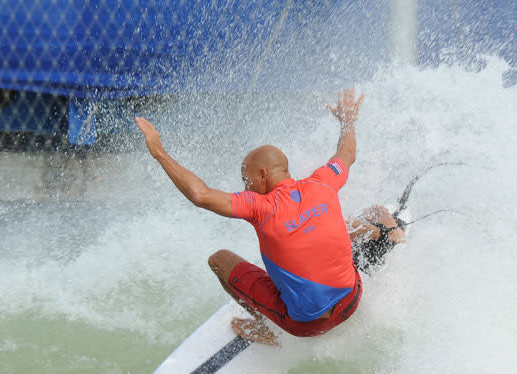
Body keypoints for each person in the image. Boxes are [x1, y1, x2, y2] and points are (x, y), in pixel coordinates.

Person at [135, 88, 366, 346]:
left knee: (219, 260)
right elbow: (347, 153)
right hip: (353, 300)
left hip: (307, 325)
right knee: (336, 222)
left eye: (247, 180)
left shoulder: (259, 206)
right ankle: (378, 231)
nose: (245, 188)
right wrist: (347, 121)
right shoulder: (323, 182)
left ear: (263, 175)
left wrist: (159, 153)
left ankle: (267, 329)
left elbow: (200, 195)